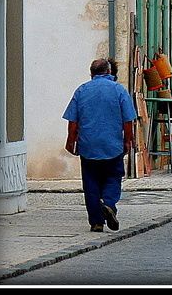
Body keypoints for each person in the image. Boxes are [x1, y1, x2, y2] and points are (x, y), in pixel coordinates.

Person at [63, 58, 138, 232]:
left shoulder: (81, 91)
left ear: (91, 73)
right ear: (109, 72)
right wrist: (128, 140)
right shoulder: (119, 90)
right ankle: (109, 203)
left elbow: (73, 121)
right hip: (113, 145)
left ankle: (96, 222)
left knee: (91, 183)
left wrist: (70, 141)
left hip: (88, 145)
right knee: (113, 177)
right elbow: (128, 120)